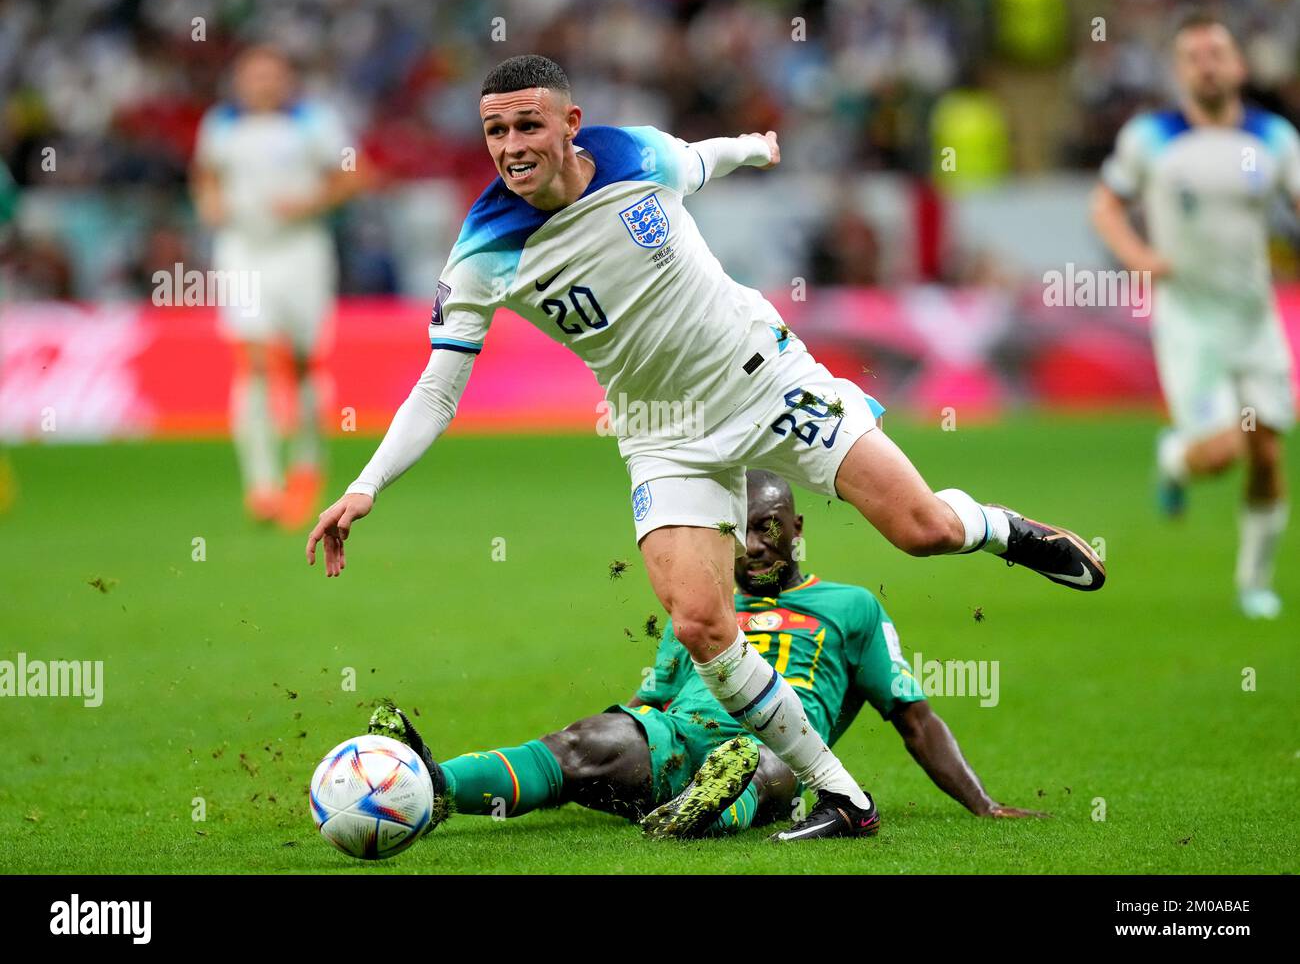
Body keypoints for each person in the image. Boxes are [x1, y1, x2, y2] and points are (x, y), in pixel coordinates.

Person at [307, 54, 1103, 840]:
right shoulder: (483, 250)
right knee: (700, 622)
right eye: (495, 131)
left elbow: (702, 158)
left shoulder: (638, 155)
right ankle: (842, 796)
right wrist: (368, 484)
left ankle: (1006, 531)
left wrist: (754, 146)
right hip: (663, 436)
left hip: (768, 382)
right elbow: (439, 387)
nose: (512, 145)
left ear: (570, 124)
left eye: (528, 124)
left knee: (921, 530)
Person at [367, 470, 1045, 840]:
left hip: (784, 743)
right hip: (686, 737)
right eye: (738, 528)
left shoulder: (852, 609)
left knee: (772, 765)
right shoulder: (699, 605)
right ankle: (436, 786)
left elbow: (913, 716)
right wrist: (618, 741)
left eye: (768, 526)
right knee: (585, 742)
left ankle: (715, 806)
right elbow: (653, 700)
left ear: (797, 527)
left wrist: (981, 805)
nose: (752, 543)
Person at [1091, 12, 1300, 620]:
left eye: (1217, 52)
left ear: (1238, 64)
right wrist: (1137, 256)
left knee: (1267, 453)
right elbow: (1105, 205)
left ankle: (1254, 582)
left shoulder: (1275, 138)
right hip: (1190, 322)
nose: (1207, 63)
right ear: (1180, 70)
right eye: (1194, 55)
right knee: (1222, 454)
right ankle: (1173, 459)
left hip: (1253, 317)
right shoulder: (1152, 137)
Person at [192, 45, 364, 528]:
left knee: (305, 363)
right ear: (240, 81)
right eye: (253, 76)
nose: (262, 85)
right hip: (242, 251)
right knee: (254, 360)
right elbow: (205, 176)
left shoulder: (314, 122)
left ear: (287, 79)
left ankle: (307, 464)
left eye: (271, 75)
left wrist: (312, 202)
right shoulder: (220, 124)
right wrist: (209, 202)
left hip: (301, 251)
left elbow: (357, 174)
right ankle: (263, 486)